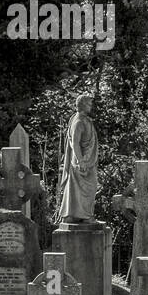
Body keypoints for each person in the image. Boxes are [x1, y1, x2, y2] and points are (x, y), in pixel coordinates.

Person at [57, 93, 99, 223]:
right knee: (88, 188)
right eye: (89, 104)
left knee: (80, 189)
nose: (91, 106)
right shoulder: (79, 121)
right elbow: (74, 143)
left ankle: (72, 215)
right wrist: (81, 161)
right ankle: (84, 216)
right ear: (82, 105)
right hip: (81, 162)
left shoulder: (84, 119)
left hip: (86, 160)